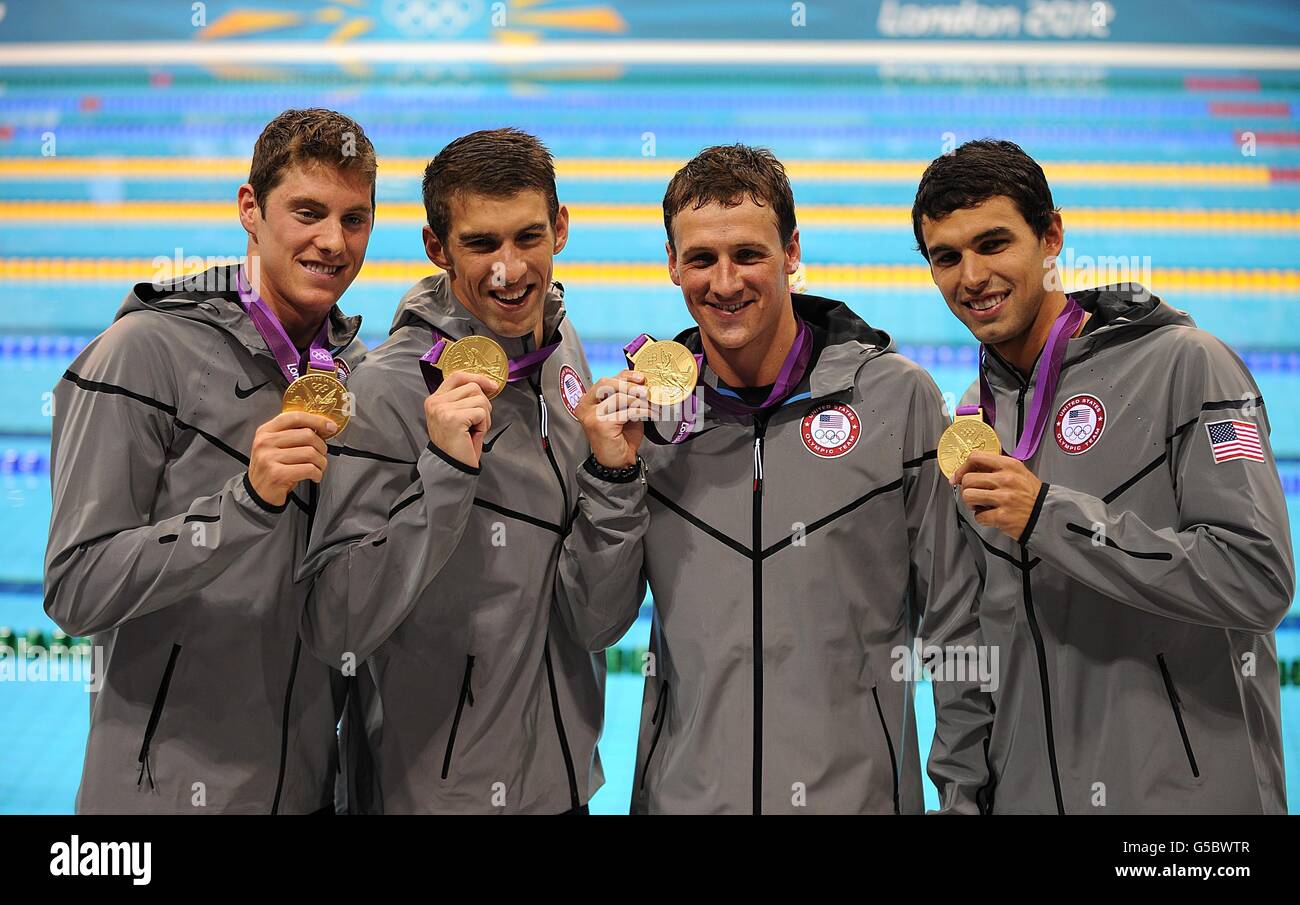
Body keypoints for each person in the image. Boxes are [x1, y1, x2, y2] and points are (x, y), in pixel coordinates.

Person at [557, 144, 992, 814]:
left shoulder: (894, 401)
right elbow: (594, 621)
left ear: (791, 251)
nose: (725, 282)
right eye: (701, 258)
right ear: (672, 264)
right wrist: (613, 473)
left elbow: (957, 623)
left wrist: (966, 797)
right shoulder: (650, 423)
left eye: (748, 255)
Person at [915, 138, 1294, 813]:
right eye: (946, 256)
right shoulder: (975, 418)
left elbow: (1258, 573)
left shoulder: (1188, 365)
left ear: (1051, 235)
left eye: (994, 243)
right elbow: (967, 638)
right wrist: (962, 795)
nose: (970, 276)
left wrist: (1051, 516)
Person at [44, 107, 375, 813]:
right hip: (155, 801)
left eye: (355, 219)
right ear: (250, 209)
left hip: (309, 794)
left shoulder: (358, 374)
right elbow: (75, 586)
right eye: (308, 212)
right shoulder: (142, 354)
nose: (332, 241)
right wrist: (244, 506)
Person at [299, 128, 603, 814]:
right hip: (434, 796)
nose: (509, 269)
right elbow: (333, 622)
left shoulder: (562, 351)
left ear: (561, 227)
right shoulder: (385, 392)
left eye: (528, 237)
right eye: (481, 244)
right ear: (437, 247)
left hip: (562, 783)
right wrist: (441, 472)